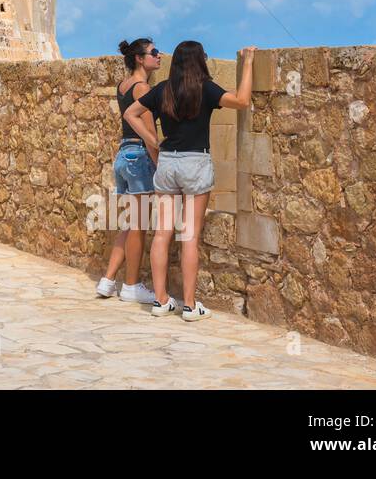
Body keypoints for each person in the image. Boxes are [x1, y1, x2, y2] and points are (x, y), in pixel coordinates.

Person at [123, 42, 256, 321]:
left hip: (168, 163)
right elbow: (242, 101)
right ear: (199, 61)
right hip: (195, 163)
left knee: (162, 234)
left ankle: (160, 301)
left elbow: (130, 114)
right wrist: (249, 63)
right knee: (190, 236)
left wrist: (153, 142)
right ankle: (190, 305)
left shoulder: (162, 89)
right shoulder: (205, 88)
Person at [96, 39, 162, 304]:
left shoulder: (122, 86)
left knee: (129, 222)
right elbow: (149, 132)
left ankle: (108, 280)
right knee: (139, 225)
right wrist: (159, 164)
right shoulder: (142, 88)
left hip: (123, 154)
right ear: (139, 58)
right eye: (154, 53)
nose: (159, 56)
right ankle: (132, 286)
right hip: (139, 155)